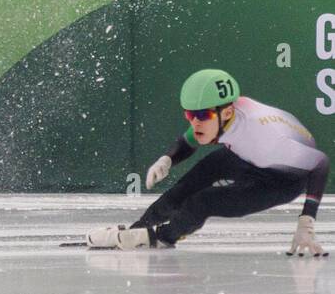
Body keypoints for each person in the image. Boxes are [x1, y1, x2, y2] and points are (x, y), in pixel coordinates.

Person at [87, 69, 328, 254]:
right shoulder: (226, 116)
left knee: (204, 201)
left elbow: (320, 163)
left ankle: (161, 237)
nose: (195, 123)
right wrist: (167, 159)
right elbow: (189, 139)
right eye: (190, 115)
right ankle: (139, 228)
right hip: (247, 157)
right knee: (191, 182)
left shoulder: (266, 137)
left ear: (226, 113)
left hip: (282, 180)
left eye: (201, 115)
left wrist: (306, 221)